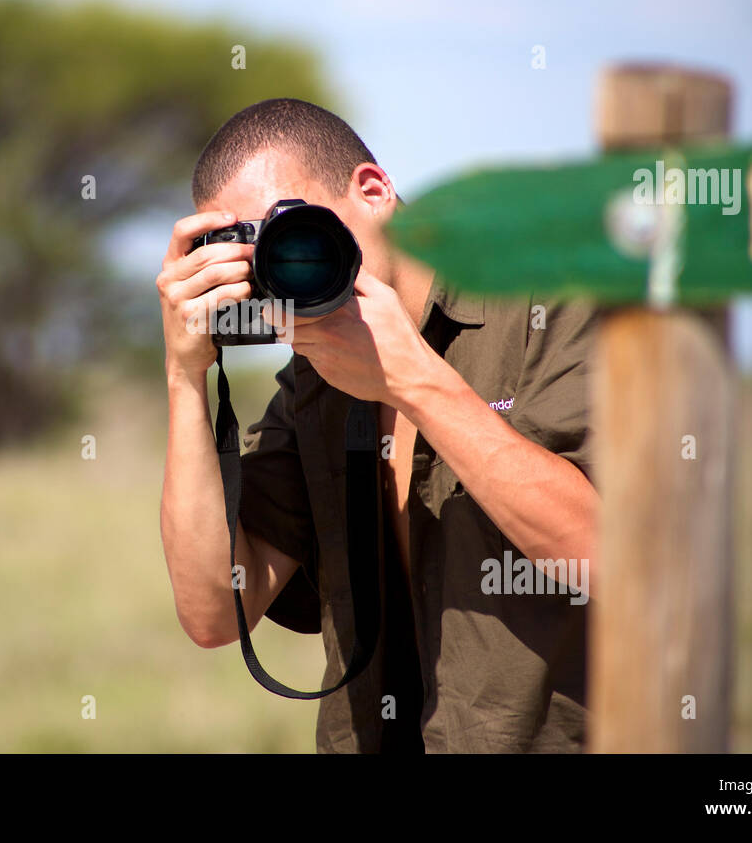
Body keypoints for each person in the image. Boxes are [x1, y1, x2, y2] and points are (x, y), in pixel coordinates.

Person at [156, 98, 599, 752]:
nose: (290, 267)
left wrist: (414, 383)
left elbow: (606, 552)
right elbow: (216, 613)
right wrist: (184, 379)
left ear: (374, 190)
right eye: (260, 258)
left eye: (296, 231)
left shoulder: (550, 301)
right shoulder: (317, 377)